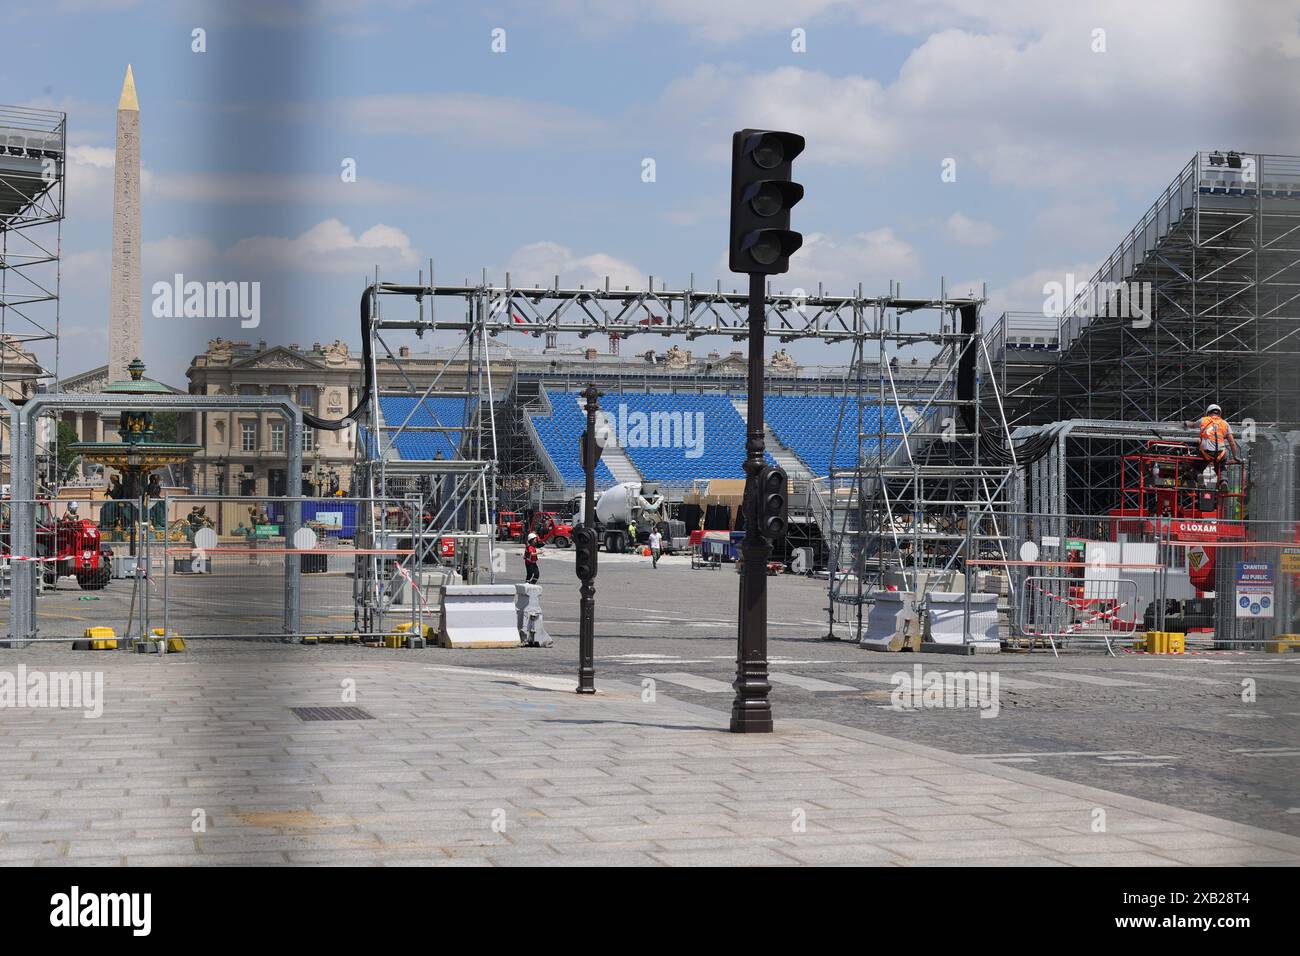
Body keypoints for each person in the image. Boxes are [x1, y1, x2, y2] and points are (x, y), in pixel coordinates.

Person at [1183, 404, 1238, 487]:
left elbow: (1192, 425)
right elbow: (1232, 443)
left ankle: (1199, 476)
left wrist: (1186, 423)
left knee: (1197, 467)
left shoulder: (1203, 420)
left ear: (1208, 412)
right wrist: (1235, 456)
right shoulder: (1225, 424)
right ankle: (1223, 481)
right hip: (1220, 453)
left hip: (1206, 452)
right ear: (1219, 413)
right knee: (1221, 467)